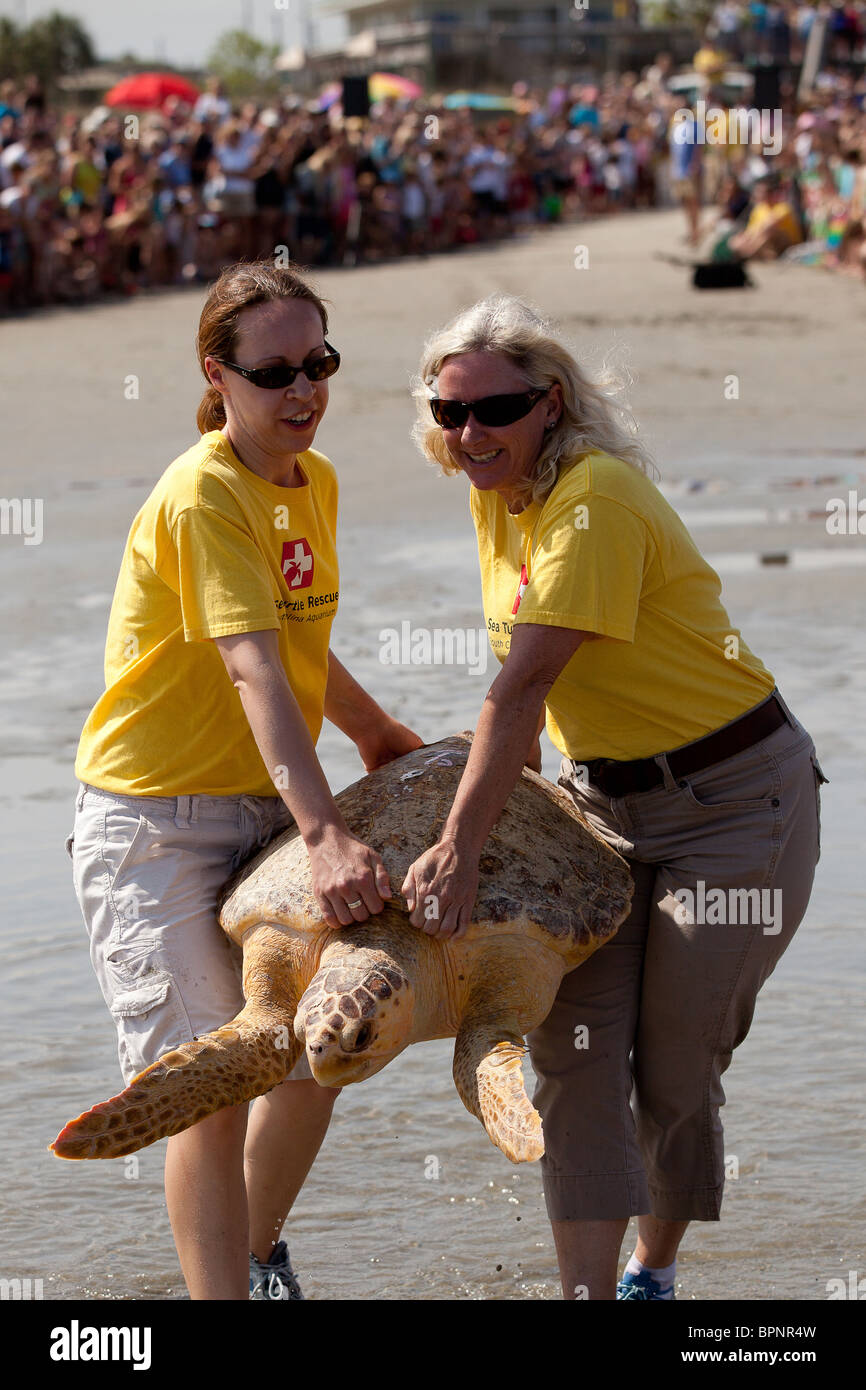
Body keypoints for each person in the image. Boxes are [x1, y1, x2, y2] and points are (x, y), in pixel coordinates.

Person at [402, 294, 826, 1301]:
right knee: (571, 1053)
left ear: (550, 404)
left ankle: (651, 1272)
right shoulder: (492, 490)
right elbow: (522, 688)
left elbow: (521, 684)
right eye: (448, 410)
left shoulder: (589, 501)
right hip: (599, 812)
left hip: (734, 805)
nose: (469, 433)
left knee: (677, 1064)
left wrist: (459, 847)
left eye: (495, 408)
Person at [66, 259, 423, 1300]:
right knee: (210, 1090)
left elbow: (298, 638)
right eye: (275, 372)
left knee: (323, 1050)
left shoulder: (315, 482)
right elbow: (249, 664)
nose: (303, 390)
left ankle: (257, 1259)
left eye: (319, 362)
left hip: (265, 806)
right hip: (155, 825)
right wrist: (324, 835)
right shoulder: (203, 493)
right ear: (216, 376)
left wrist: (373, 728)